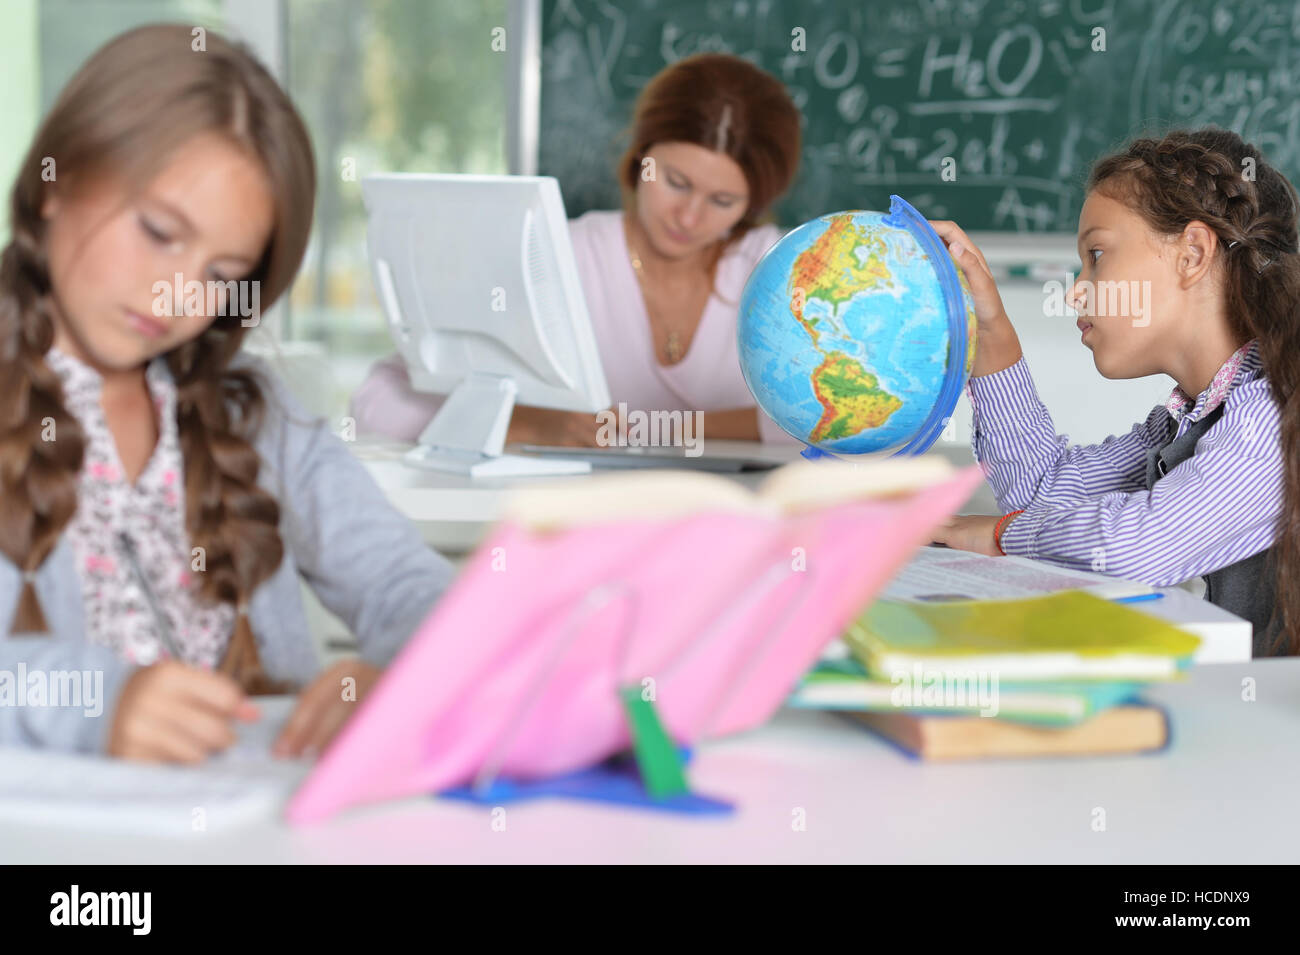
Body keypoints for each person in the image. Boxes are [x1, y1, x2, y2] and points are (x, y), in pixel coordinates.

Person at [0, 25, 456, 760]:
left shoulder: (257, 415)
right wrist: (100, 702)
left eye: (221, 274)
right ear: (59, 180)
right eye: (158, 230)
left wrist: (409, 680)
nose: (178, 292)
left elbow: (407, 583)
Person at [931, 128, 1299, 656]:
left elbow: (1136, 547)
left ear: (1192, 253)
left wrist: (999, 535)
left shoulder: (1272, 414)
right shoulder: (1186, 422)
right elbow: (1040, 493)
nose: (1077, 288)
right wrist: (991, 328)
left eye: (1097, 255)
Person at [350, 52, 803, 446]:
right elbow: (377, 400)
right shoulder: (549, 256)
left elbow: (847, 422)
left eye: (722, 201)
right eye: (675, 182)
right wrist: (521, 424)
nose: (688, 217)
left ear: (753, 204)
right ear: (640, 158)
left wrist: (652, 429)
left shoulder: (781, 270)